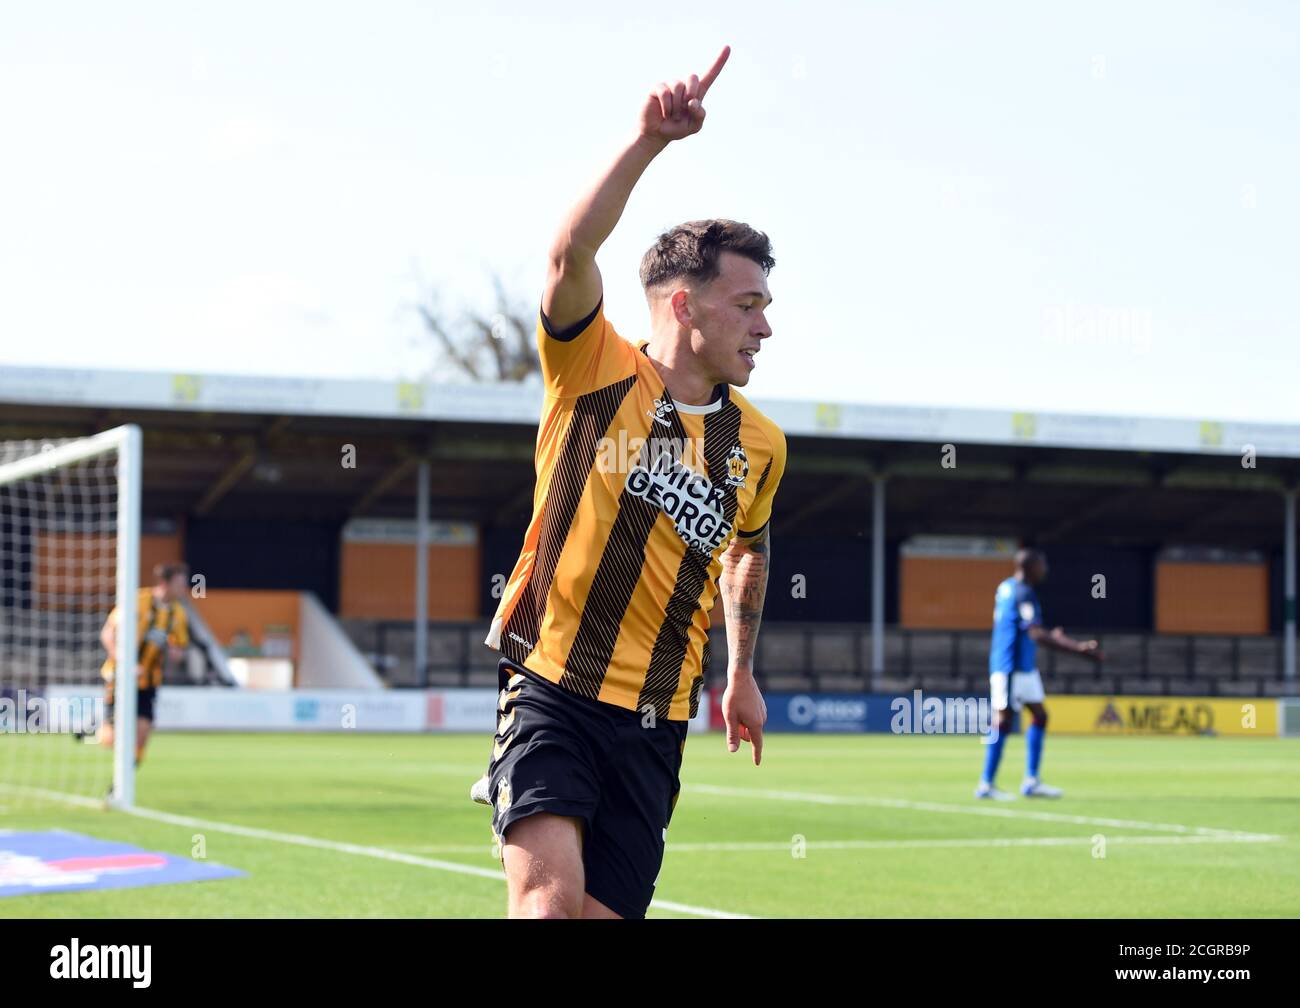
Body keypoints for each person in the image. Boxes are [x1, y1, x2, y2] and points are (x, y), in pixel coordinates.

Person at [476, 44, 786, 918]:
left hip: (659, 717)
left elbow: (748, 552)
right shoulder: (595, 370)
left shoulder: (760, 444)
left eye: (767, 307)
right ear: (684, 304)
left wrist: (742, 672)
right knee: (548, 906)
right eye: (748, 305)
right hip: (552, 685)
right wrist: (650, 140)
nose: (765, 327)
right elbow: (569, 252)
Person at [977, 548, 1103, 799]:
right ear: (1029, 566)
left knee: (1040, 715)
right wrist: (1077, 648)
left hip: (1023, 666)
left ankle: (1031, 781)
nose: (1045, 569)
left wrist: (1050, 635)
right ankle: (987, 784)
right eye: (1041, 565)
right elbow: (1035, 633)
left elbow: (1026, 628)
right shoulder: (1023, 593)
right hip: (1011, 666)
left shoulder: (1006, 587)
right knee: (1003, 720)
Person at [98, 563, 190, 768]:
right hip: (120, 676)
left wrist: (176, 653)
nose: (184, 588)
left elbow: (180, 648)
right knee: (110, 739)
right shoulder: (137, 601)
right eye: (180, 584)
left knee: (141, 736)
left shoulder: (178, 614)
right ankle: (92, 729)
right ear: (165, 583)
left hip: (148, 681)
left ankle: (121, 782)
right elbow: (107, 634)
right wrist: (125, 663)